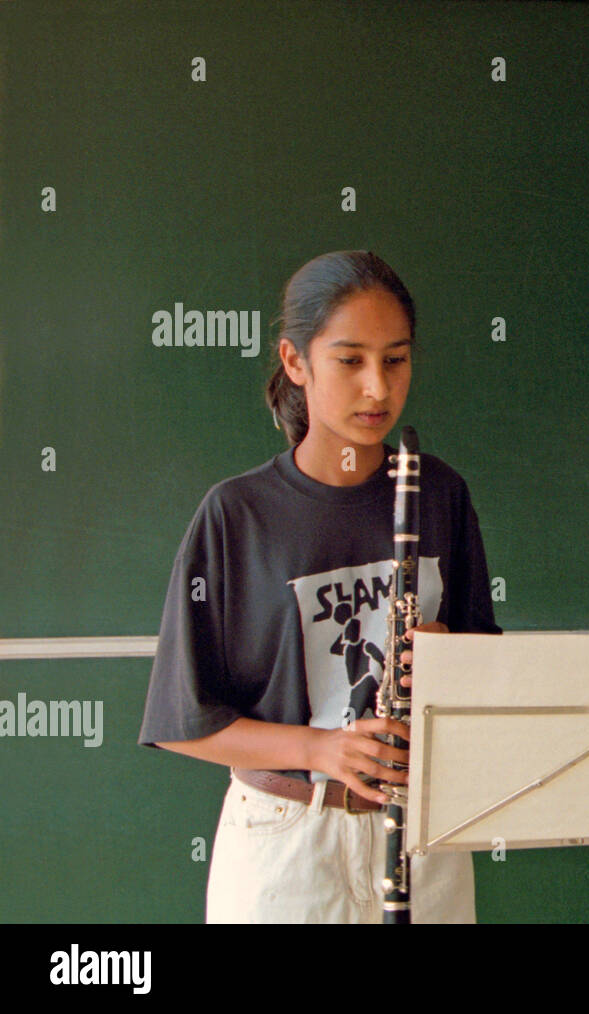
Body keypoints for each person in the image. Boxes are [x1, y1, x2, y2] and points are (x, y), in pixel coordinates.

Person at [139, 250, 501, 923]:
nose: (377, 388)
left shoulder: (440, 493)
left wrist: (450, 657)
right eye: (350, 359)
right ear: (296, 361)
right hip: (288, 839)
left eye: (395, 360)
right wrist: (321, 750)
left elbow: (488, 673)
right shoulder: (236, 514)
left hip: (422, 832)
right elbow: (183, 722)